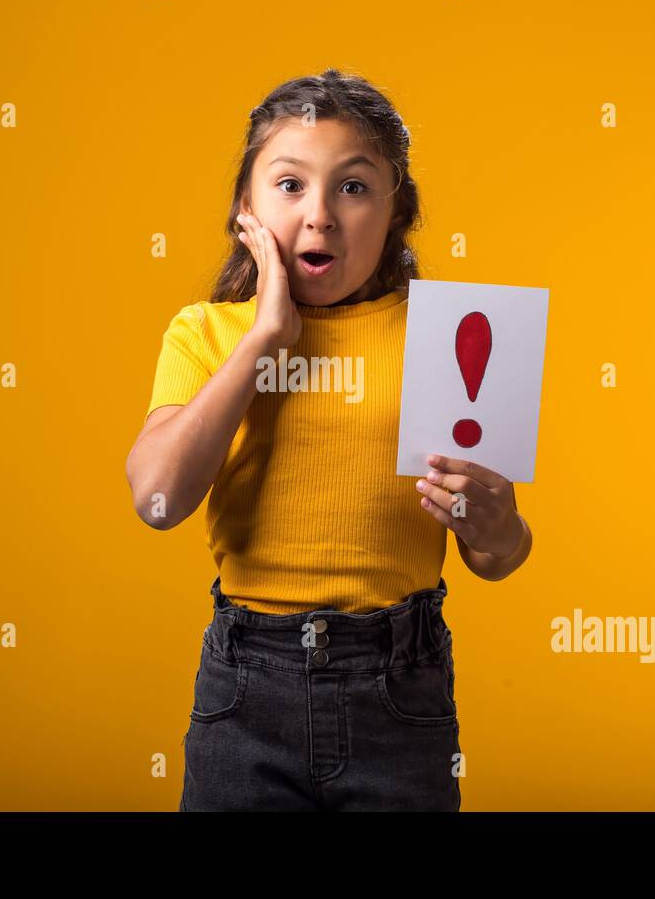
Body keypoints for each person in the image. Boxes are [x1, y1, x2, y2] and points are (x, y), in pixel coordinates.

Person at [125, 68, 533, 811]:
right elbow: (157, 500)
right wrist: (266, 338)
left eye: (352, 187)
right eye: (289, 185)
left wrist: (499, 525)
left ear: (394, 210)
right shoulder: (206, 334)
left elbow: (496, 557)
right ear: (245, 209)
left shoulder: (450, 337)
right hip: (246, 686)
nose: (319, 216)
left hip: (400, 689)